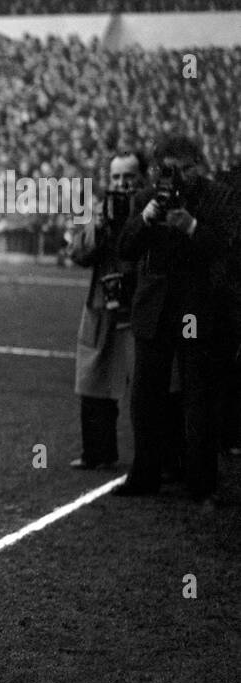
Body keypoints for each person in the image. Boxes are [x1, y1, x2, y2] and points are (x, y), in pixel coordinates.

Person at [115, 136, 240, 503]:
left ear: (198, 165)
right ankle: (145, 474)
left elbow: (228, 247)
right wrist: (146, 218)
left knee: (197, 394)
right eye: (170, 169)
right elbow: (125, 247)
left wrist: (191, 227)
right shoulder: (146, 199)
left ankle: (200, 479)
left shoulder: (217, 196)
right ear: (158, 170)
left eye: (186, 169)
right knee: (145, 396)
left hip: (196, 306)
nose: (179, 177)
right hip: (154, 307)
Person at [68, 152, 143, 471]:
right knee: (94, 379)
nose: (121, 183)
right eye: (115, 177)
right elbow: (78, 253)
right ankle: (97, 452)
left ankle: (164, 458)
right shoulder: (98, 209)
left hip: (140, 307)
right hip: (103, 304)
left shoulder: (150, 208)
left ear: (142, 178)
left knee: (151, 384)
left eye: (128, 176)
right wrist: (97, 226)